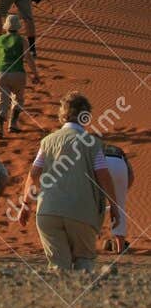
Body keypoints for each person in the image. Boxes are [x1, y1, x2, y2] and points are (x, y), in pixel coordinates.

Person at [17, 92, 118, 272]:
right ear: (85, 116)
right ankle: (80, 298)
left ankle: (58, 296)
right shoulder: (92, 144)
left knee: (58, 266)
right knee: (84, 261)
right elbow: (103, 176)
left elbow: (33, 175)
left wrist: (26, 204)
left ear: (62, 114)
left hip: (48, 212)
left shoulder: (47, 142)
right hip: (82, 213)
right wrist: (115, 207)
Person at [0, 12, 39, 139]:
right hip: (18, 74)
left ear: (6, 27)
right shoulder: (22, 40)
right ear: (18, 27)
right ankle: (13, 123)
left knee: (1, 102)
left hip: (0, 73)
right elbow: (28, 58)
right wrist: (35, 74)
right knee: (18, 98)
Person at [99, 142, 133, 254]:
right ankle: (120, 248)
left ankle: (86, 244)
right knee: (119, 207)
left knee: (94, 206)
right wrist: (121, 193)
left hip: (101, 164)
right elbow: (131, 176)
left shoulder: (95, 150)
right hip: (120, 165)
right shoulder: (120, 152)